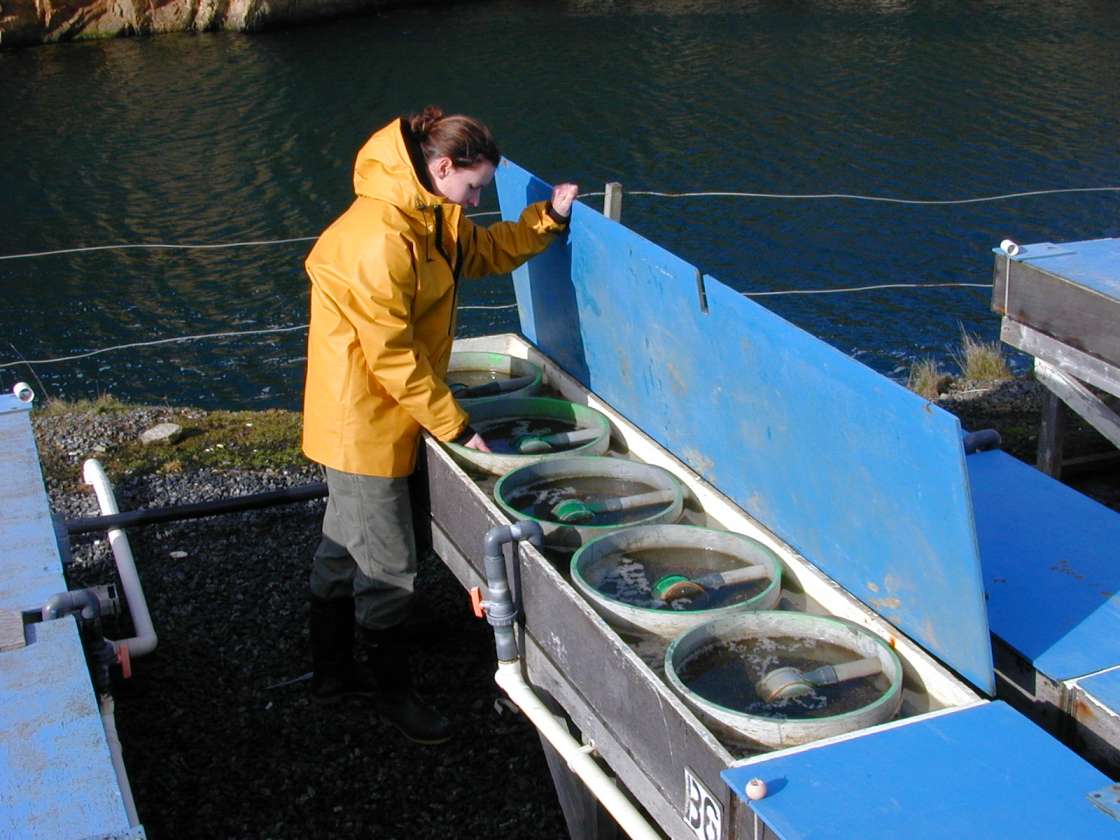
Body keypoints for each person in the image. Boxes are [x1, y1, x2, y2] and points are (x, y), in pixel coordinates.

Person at [301, 106, 578, 744]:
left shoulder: (431, 215)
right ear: (442, 166)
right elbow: (391, 357)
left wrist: (547, 220)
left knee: (347, 541)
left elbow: (484, 251)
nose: (478, 199)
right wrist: (456, 426)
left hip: (390, 412)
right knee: (389, 562)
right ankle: (390, 693)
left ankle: (332, 669)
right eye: (474, 186)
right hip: (361, 424)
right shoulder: (379, 237)